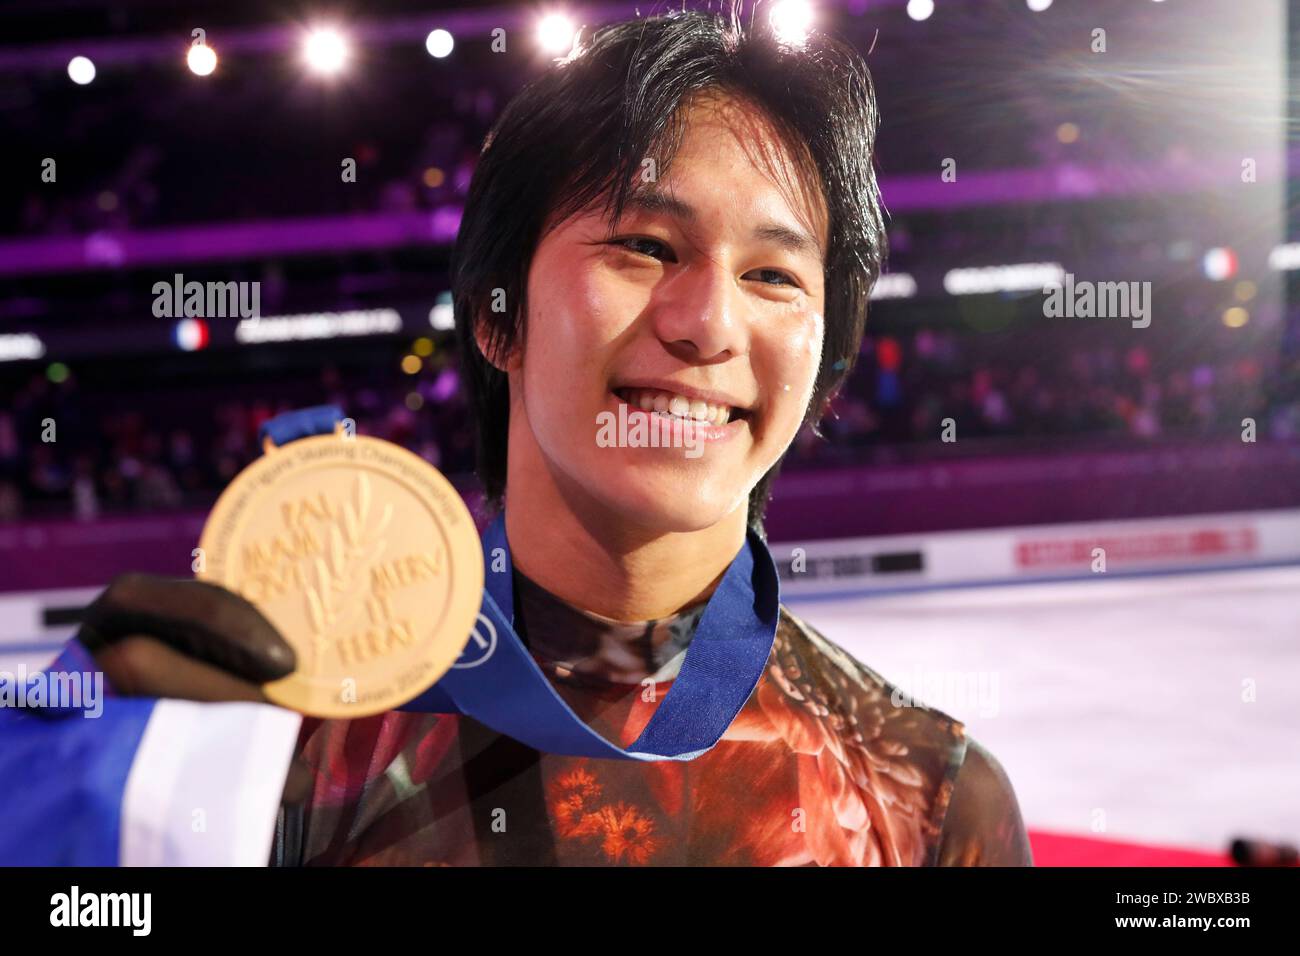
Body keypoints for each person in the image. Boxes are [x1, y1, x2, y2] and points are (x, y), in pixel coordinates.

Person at [0, 8, 1031, 867]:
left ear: (822, 367)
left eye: (773, 274)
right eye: (643, 243)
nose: (708, 321)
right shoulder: (271, 743)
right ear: (497, 314)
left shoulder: (928, 803)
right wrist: (53, 809)